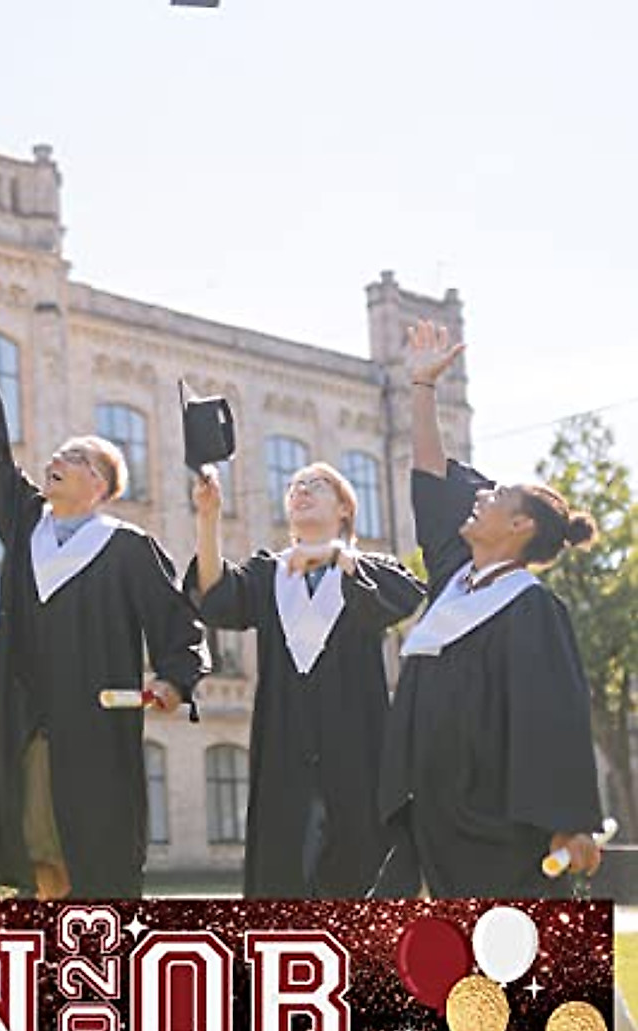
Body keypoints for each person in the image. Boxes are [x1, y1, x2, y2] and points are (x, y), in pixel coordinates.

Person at [0, 281, 208, 900]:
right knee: (36, 856)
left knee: (88, 860)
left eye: (76, 456)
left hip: (94, 725)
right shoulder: (26, 524)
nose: (58, 458)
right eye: (59, 452)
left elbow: (178, 624)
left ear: (101, 484)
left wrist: (174, 682)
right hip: (25, 721)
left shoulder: (126, 548)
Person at [375, 319, 603, 897]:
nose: (479, 495)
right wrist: (422, 387)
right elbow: (431, 474)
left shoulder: (531, 609)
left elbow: (554, 718)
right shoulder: (453, 575)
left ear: (521, 526)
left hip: (494, 826)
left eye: (496, 496)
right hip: (428, 812)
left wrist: (569, 820)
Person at [190, 460, 424, 898]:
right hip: (284, 749)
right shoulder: (271, 573)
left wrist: (337, 556)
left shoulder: (369, 568)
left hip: (356, 749)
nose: (301, 490)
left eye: (316, 485)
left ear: (345, 509)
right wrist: (208, 517)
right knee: (286, 880)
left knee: (359, 881)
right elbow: (217, 599)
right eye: (295, 486)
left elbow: (405, 597)